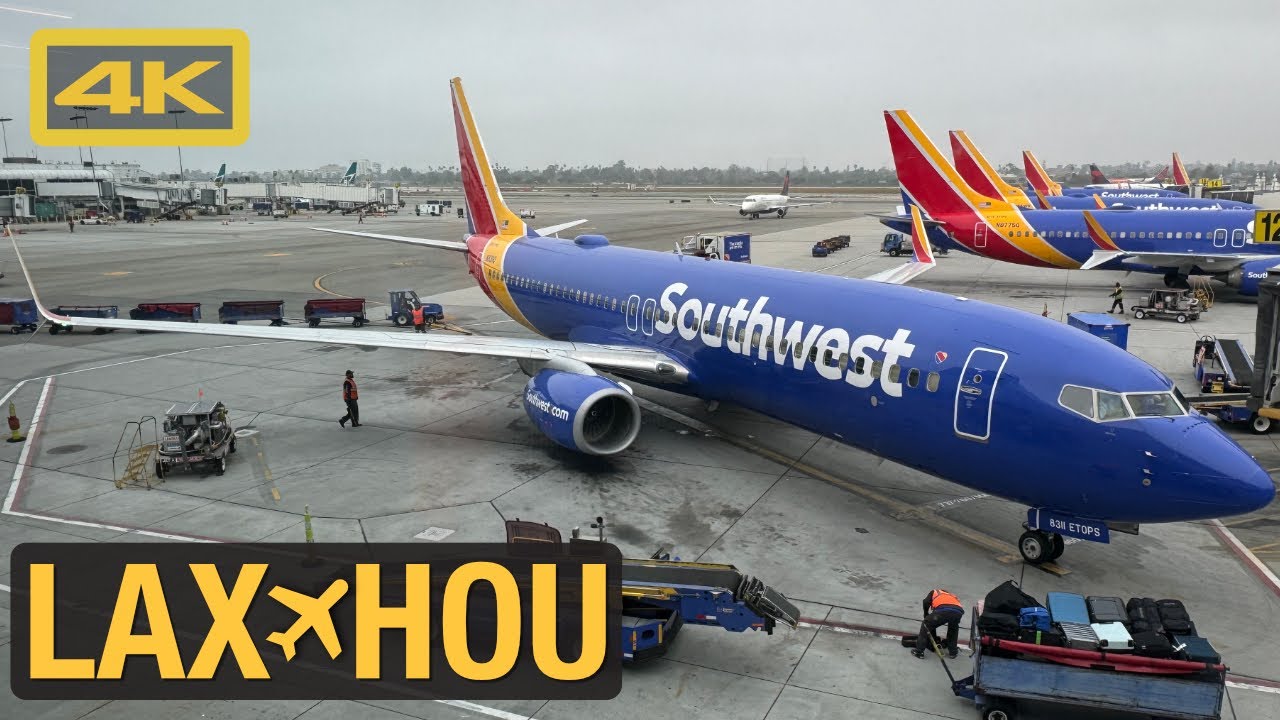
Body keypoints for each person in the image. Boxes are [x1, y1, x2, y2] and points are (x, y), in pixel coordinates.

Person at [912, 588, 964, 659]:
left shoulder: (935, 591)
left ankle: (919, 651)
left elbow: (926, 602)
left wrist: (926, 613)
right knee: (953, 628)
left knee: (926, 624)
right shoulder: (951, 595)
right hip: (958, 612)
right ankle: (953, 652)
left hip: (943, 611)